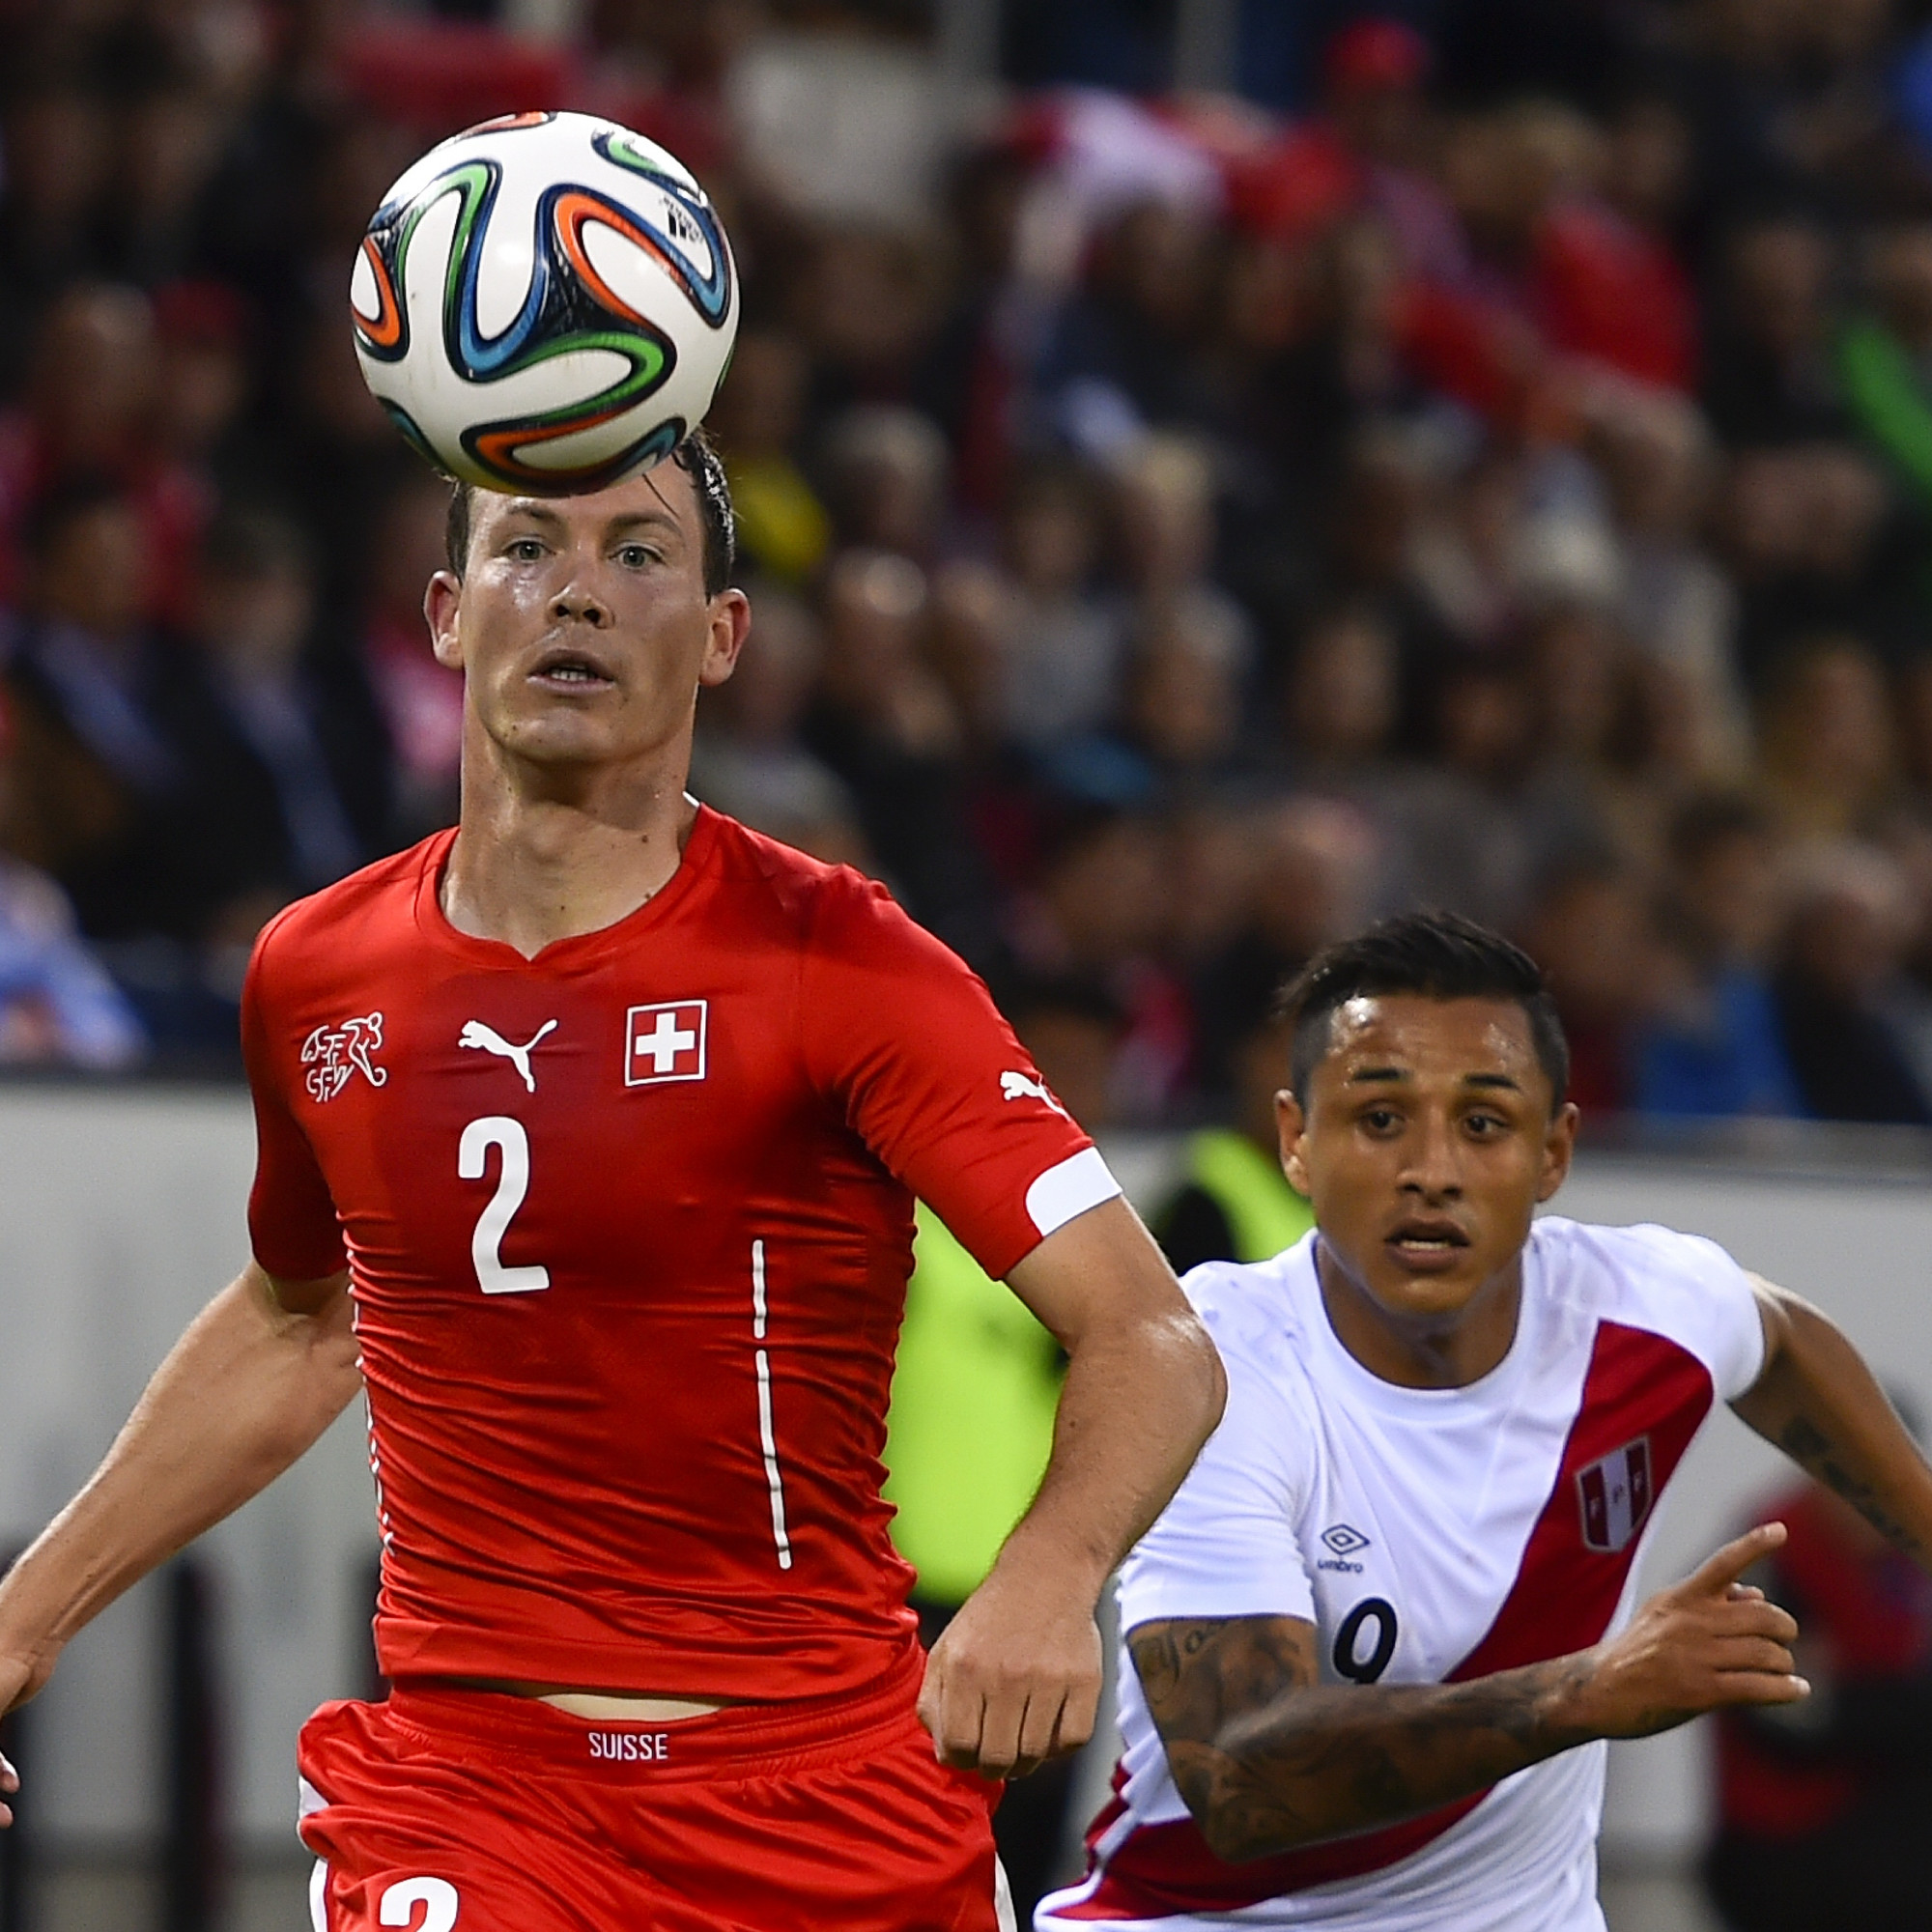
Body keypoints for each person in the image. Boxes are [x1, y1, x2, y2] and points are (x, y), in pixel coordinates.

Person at [0, 434, 1228, 1931]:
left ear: (720, 640)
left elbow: (1151, 1335)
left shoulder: (841, 961)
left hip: (824, 1796)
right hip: (472, 1792)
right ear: (449, 614)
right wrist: (19, 1621)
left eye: (637, 555)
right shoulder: (315, 976)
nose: (575, 595)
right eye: (529, 548)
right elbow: (298, 1320)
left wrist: (1049, 1573)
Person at [1038, 910, 1932, 1930]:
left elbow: (1773, 1337)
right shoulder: (1207, 1366)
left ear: (1552, 1152)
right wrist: (1582, 1691)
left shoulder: (1633, 1312)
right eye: (1379, 1118)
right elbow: (1243, 1775)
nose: (1432, 1168)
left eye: (1482, 1122)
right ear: (1295, 1139)